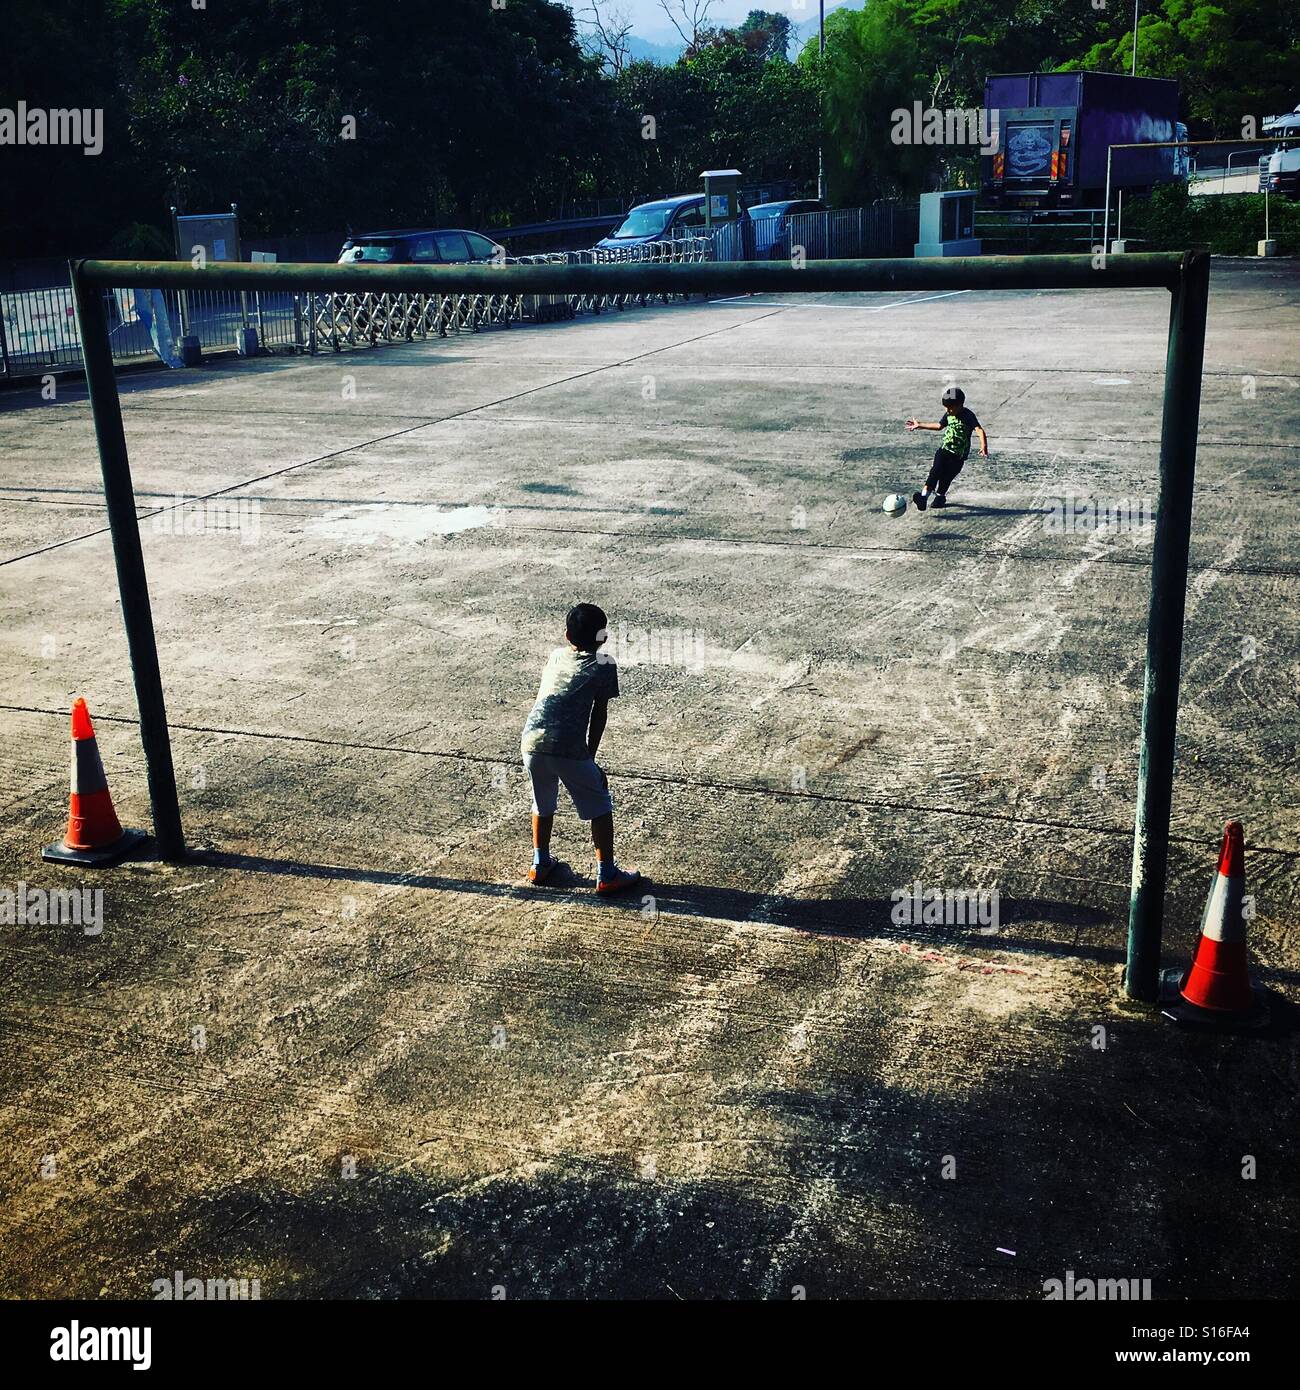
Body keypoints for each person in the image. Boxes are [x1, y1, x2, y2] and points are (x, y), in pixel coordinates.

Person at [521, 602, 641, 894]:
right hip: (567, 747)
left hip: (531, 740)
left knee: (543, 801)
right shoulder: (604, 665)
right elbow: (598, 714)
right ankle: (607, 873)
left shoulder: (555, 656)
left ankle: (540, 864)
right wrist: (591, 757)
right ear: (603, 637)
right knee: (599, 803)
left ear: (566, 635)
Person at [905, 386, 989, 510]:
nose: (948, 410)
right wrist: (920, 425)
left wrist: (984, 445)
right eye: (946, 407)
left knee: (946, 478)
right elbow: (939, 426)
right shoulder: (948, 414)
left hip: (958, 456)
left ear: (960, 405)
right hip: (944, 450)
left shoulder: (968, 415)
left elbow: (979, 429)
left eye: (950, 407)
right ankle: (923, 497)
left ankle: (940, 497)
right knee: (935, 472)